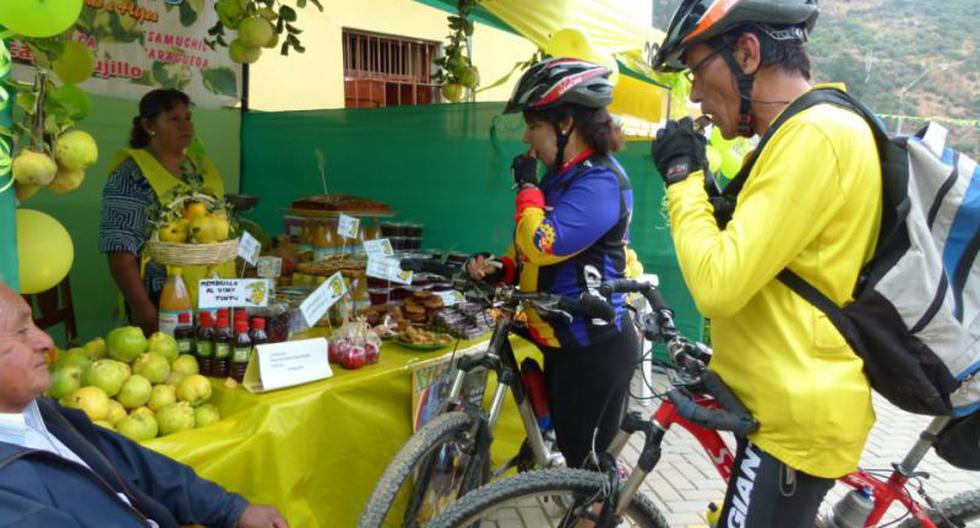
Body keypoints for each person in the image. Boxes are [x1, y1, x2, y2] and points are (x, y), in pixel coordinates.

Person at [649, 0, 881, 526]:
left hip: (792, 422)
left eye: (695, 71)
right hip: (771, 406)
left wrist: (684, 178)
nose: (694, 94)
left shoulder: (816, 135)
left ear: (747, 54)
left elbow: (717, 284)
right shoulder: (794, 134)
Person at [0, 282, 288, 527]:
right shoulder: (9, 497)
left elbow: (134, 463)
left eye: (33, 325)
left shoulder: (39, 413)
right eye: (20, 331)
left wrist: (231, 509)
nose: (47, 341)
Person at [467, 58, 639, 469]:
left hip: (596, 349)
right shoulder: (560, 177)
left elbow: (546, 242)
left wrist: (526, 186)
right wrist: (504, 269)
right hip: (564, 345)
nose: (526, 138)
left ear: (566, 124)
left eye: (533, 125)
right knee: (574, 460)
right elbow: (534, 256)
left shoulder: (600, 181)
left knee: (589, 475)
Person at [99, 89, 233, 335]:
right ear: (149, 125)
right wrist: (143, 310)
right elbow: (119, 250)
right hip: (163, 302)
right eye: (173, 119)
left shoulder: (198, 168)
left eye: (188, 117)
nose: (186, 126)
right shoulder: (131, 175)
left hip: (215, 299)